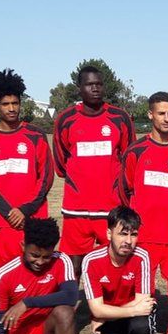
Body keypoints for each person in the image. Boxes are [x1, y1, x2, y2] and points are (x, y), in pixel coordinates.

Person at [52, 65, 134, 277]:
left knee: (113, 265)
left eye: (98, 84)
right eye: (89, 84)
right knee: (73, 269)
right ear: (79, 88)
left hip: (111, 208)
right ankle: (71, 307)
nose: (95, 88)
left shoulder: (120, 118)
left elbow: (129, 161)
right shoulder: (65, 119)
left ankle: (109, 308)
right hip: (76, 210)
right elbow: (61, 165)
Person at [0, 69, 54, 274]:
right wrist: (9, 212)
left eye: (15, 103)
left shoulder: (35, 135)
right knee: (3, 277)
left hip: (33, 217)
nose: (11, 109)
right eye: (5, 104)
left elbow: (45, 178)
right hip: (4, 220)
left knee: (37, 274)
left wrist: (24, 210)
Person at [118, 92, 168, 282]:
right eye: (161, 113)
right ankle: (146, 313)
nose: (167, 119)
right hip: (145, 232)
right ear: (151, 114)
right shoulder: (136, 151)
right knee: (142, 285)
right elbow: (125, 190)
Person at [81, 206, 155, 334]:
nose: (128, 241)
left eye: (134, 235)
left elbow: (144, 303)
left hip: (124, 318)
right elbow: (97, 310)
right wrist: (106, 314)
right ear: (108, 233)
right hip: (114, 318)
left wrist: (105, 314)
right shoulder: (91, 260)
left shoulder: (142, 256)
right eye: (122, 234)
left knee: (142, 323)